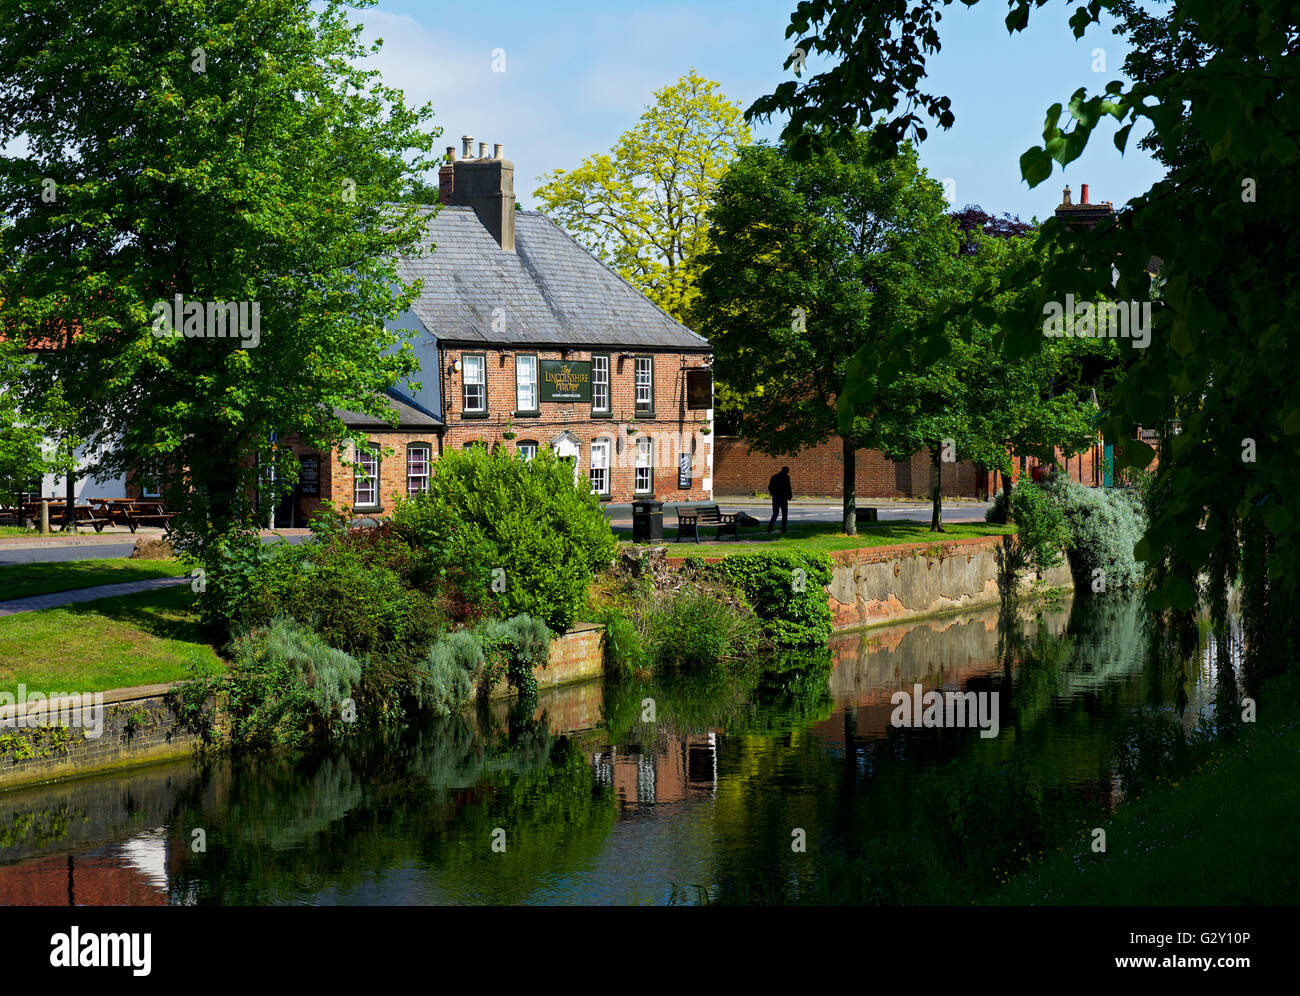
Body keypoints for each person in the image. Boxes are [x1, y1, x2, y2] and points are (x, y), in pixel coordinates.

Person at [767, 466, 793, 534]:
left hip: (775, 497)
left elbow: (770, 486)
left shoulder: (774, 477)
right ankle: (783, 528)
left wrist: (772, 493)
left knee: (775, 513)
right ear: (787, 471)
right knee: (784, 514)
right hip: (783, 498)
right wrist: (790, 496)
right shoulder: (786, 477)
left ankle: (770, 527)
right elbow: (788, 487)